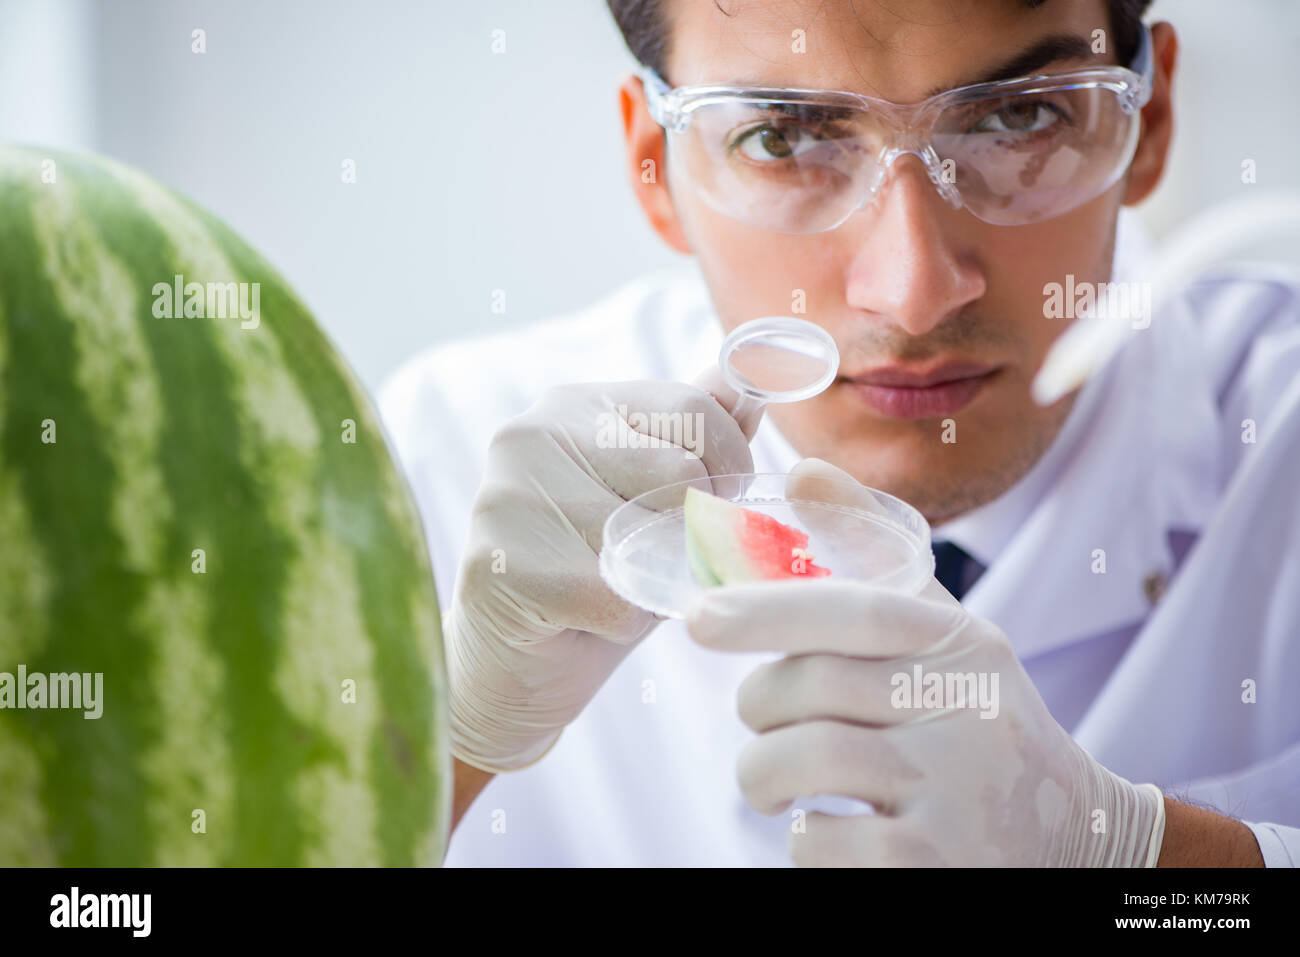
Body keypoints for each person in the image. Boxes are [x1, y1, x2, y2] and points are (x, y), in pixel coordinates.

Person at [379, 0, 1300, 865]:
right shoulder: (442, 460)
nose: (913, 291)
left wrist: (1133, 858)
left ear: (1153, 119)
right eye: (785, 138)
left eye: (1018, 120)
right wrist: (453, 736)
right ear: (653, 167)